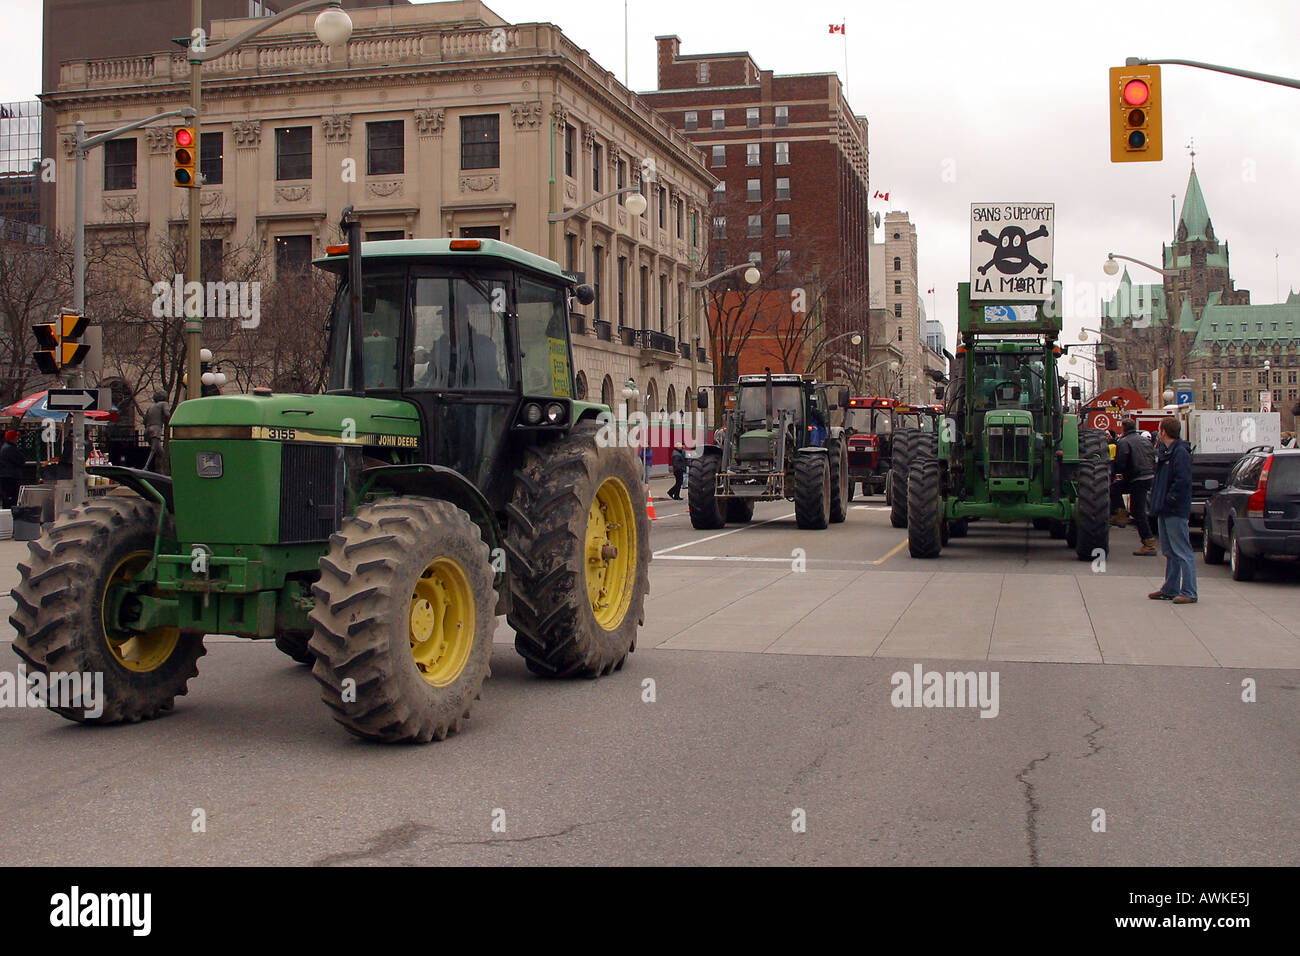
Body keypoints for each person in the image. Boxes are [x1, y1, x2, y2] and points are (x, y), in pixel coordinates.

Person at [1149, 416, 1197, 605]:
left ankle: (1189, 591)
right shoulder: (1167, 452)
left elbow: (1182, 481)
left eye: (1159, 429)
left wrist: (1169, 500)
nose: (1157, 433)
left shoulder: (1179, 453)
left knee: (1182, 551)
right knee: (1170, 551)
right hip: (1165, 508)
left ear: (1164, 432)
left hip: (1175, 509)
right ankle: (1170, 588)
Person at [1115, 418, 1157, 555]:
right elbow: (1152, 456)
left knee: (1137, 511)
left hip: (1136, 478)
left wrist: (1116, 472)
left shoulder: (1124, 442)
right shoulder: (1144, 440)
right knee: (1132, 504)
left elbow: (1121, 462)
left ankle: (1148, 543)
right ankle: (1122, 515)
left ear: (1123, 428)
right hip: (1148, 476)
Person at [143, 389, 172, 474]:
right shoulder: (164, 404)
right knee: (153, 450)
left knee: (161, 453)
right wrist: (170, 421)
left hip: (147, 430)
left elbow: (144, 421)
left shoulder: (150, 407)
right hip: (155, 430)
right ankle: (145, 467)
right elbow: (167, 414)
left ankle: (159, 471)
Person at [0, 429, 24, 510]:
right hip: (10, 478)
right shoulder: (10, 449)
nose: (17, 439)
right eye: (16, 437)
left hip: (8, 476)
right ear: (12, 438)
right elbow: (21, 460)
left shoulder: (7, 447)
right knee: (10, 500)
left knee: (9, 499)